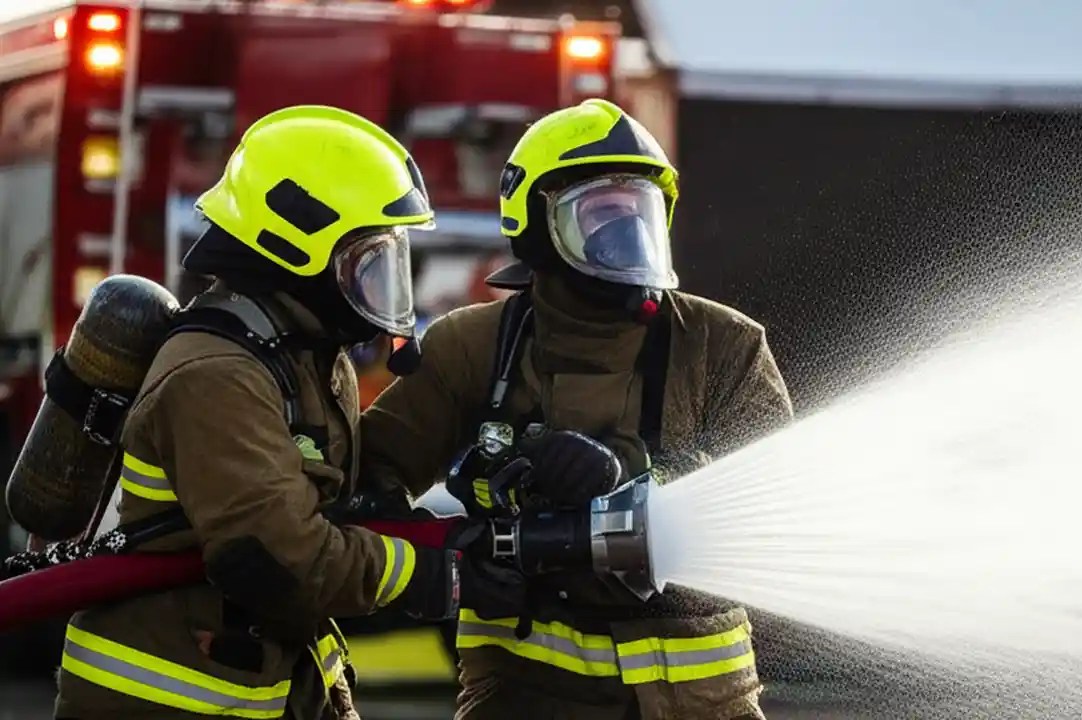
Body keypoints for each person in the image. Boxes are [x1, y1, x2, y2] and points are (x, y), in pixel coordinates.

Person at [359, 98, 794, 719]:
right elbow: (370, 479)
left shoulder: (721, 343)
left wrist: (630, 476)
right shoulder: (473, 345)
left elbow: (774, 507)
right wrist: (453, 554)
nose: (629, 235)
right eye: (601, 213)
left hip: (699, 703)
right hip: (521, 697)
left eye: (640, 211)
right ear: (536, 225)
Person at [54, 105, 457, 720]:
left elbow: (317, 503)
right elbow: (281, 559)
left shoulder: (308, 358)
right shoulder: (217, 375)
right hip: (167, 698)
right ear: (296, 245)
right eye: (367, 260)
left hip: (259, 687)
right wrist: (426, 573)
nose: (384, 285)